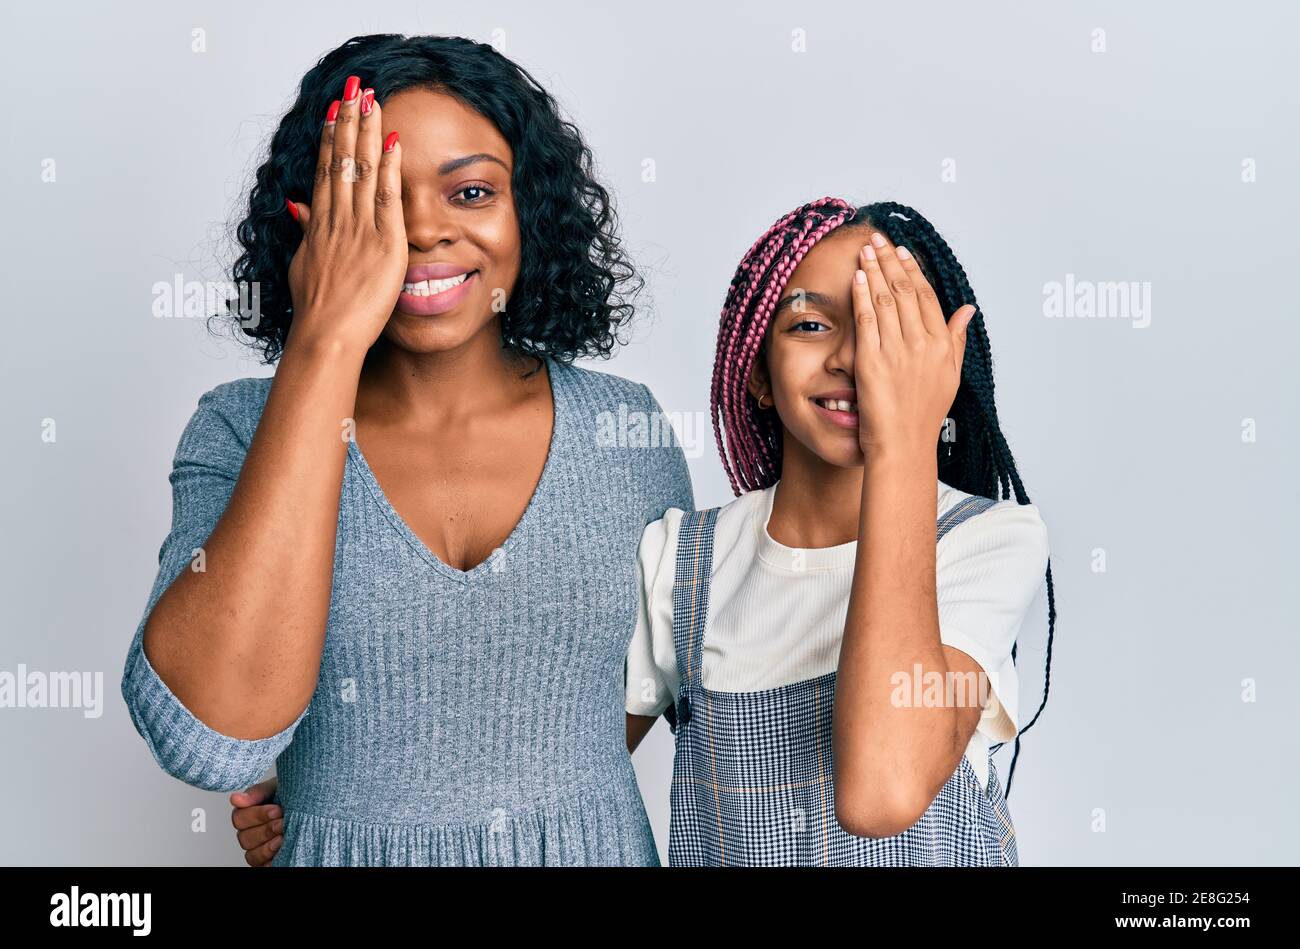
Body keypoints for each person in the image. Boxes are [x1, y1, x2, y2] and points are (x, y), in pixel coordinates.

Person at [123, 34, 691, 866]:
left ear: (526, 209)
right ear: (309, 221)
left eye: (469, 191)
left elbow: (651, 687)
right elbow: (211, 744)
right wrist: (325, 336)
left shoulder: (625, 431)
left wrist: (498, 801)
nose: (423, 230)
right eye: (376, 196)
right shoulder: (239, 429)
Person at [621, 198, 1055, 865]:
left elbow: (881, 793)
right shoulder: (681, 561)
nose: (855, 359)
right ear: (760, 373)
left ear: (940, 366)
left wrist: (904, 439)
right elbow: (566, 775)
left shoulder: (987, 542)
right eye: (812, 324)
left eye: (889, 328)